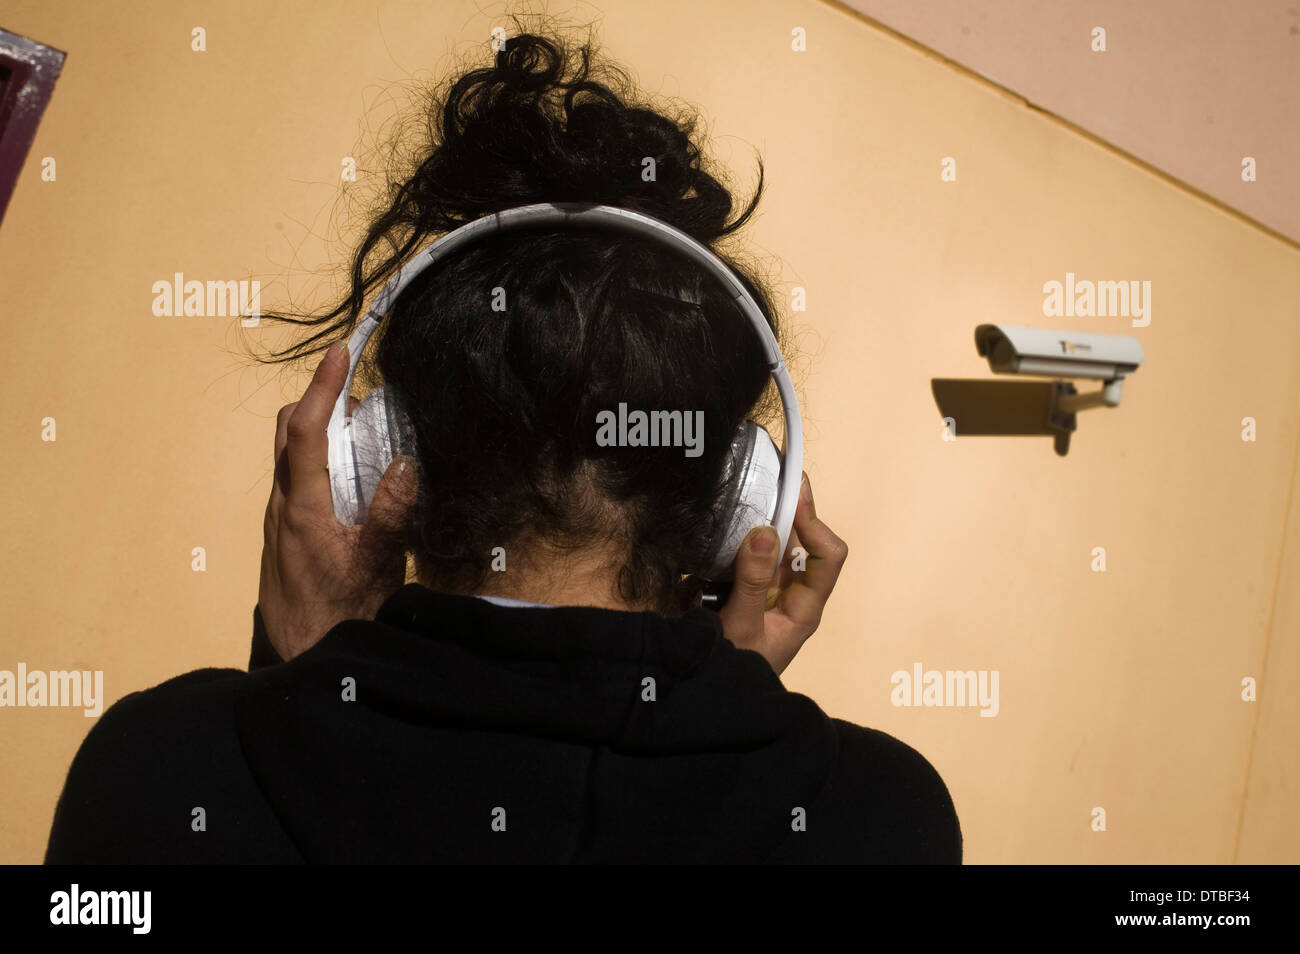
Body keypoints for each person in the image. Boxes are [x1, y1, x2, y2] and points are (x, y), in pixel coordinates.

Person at [45, 29, 961, 864]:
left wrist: (303, 671)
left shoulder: (158, 768)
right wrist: (718, 715)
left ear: (377, 456)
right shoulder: (885, 817)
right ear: (739, 505)